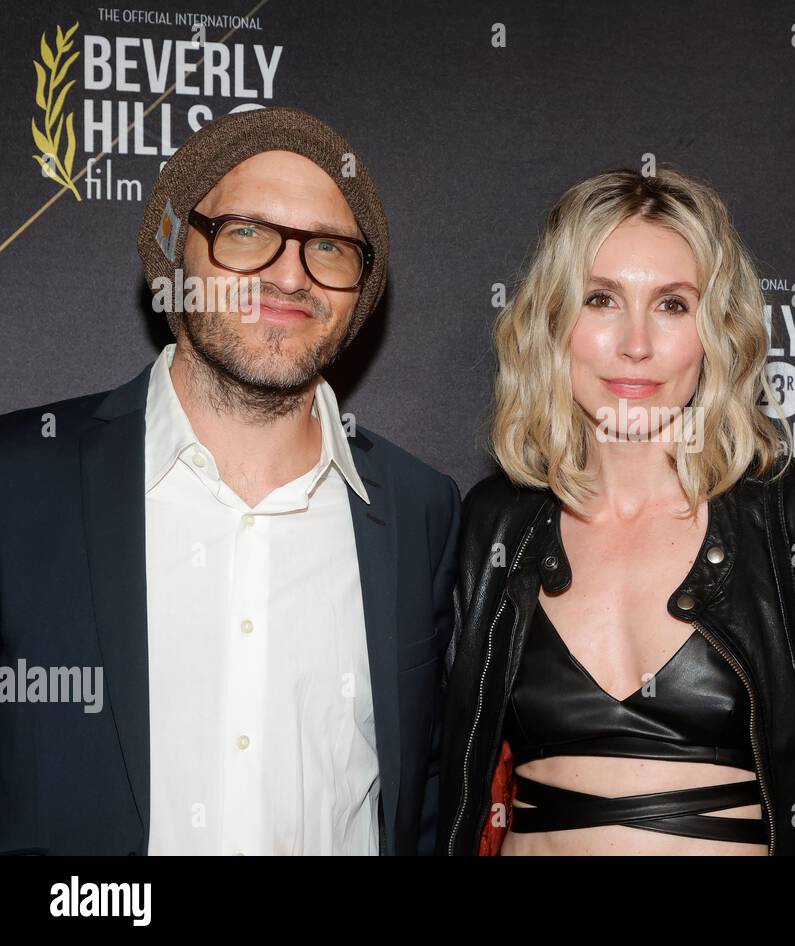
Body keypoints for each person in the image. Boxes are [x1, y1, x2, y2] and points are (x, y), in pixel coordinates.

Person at [0, 107, 459, 855]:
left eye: (330, 249)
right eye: (246, 232)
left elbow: (425, 792)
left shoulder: (419, 511)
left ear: (360, 291)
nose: (288, 274)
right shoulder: (19, 480)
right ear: (178, 251)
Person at [438, 167, 795, 855]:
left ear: (716, 331)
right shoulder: (496, 524)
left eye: (671, 305)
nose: (636, 343)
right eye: (600, 299)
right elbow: (450, 784)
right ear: (552, 321)